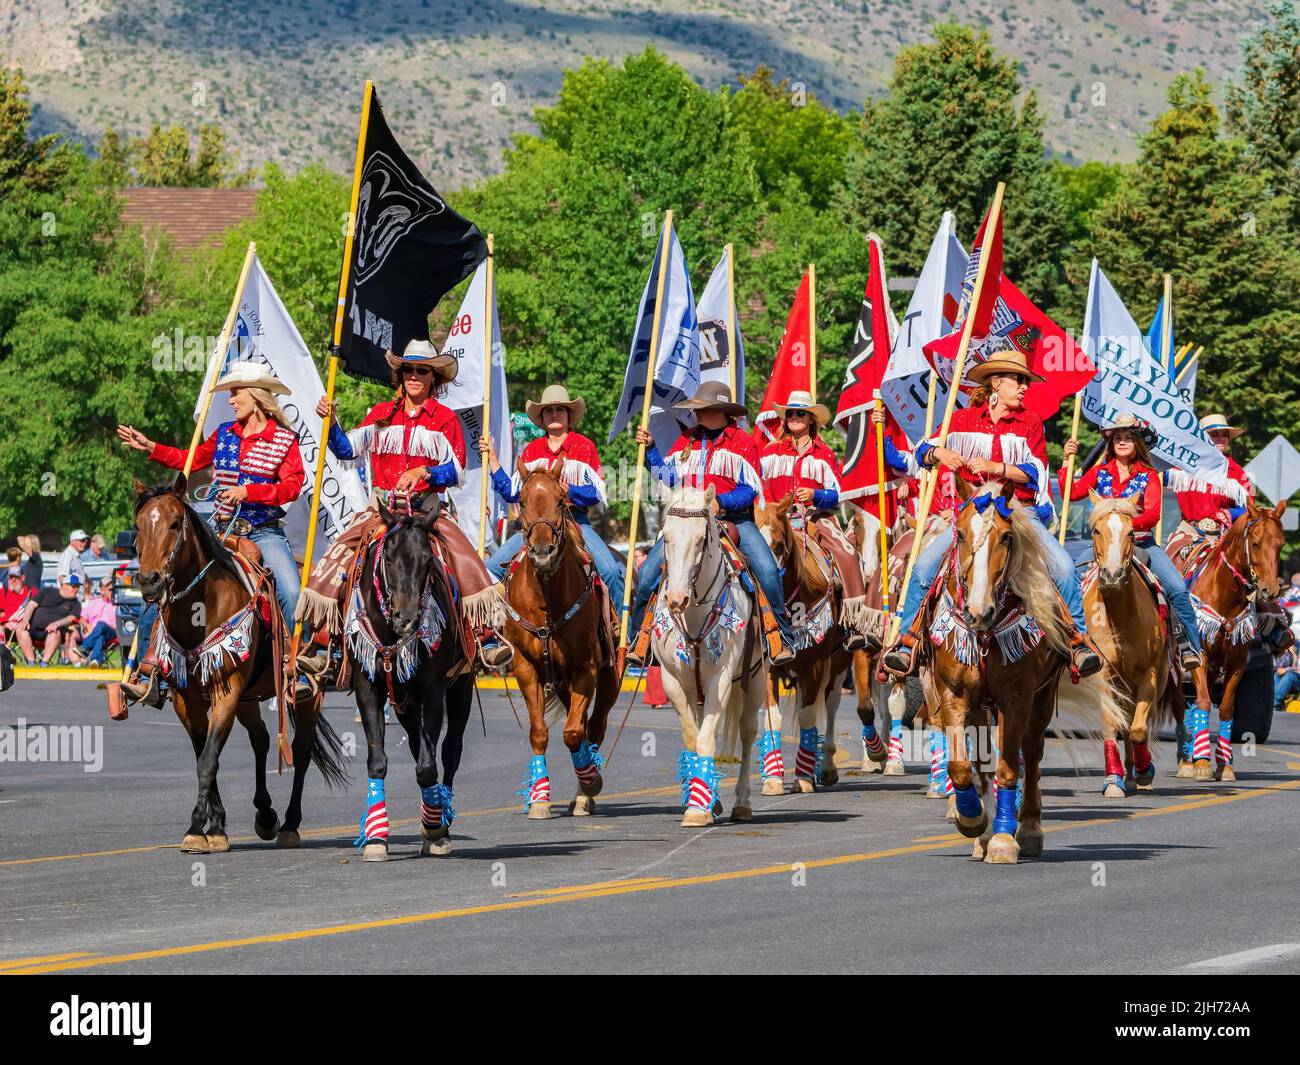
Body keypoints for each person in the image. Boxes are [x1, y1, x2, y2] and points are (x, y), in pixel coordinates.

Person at [881, 350, 1102, 678]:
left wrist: (995, 467)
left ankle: (1079, 641)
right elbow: (921, 451)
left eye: (1026, 380)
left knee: (1064, 567)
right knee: (925, 566)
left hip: (1017, 513)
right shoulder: (962, 421)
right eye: (1018, 380)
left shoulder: (1031, 424)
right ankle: (906, 641)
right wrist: (940, 452)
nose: (1025, 386)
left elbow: (1036, 471)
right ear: (996, 383)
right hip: (971, 512)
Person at [304, 338, 511, 672]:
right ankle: (325, 641)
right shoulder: (381, 415)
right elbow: (345, 450)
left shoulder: (444, 419)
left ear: (434, 378)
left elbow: (456, 468)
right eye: (409, 369)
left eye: (422, 370)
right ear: (400, 375)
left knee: (463, 555)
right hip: (382, 511)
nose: (414, 375)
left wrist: (425, 471)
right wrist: (330, 422)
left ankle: (485, 634)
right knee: (337, 556)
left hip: (426, 512)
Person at [116, 361, 307, 701]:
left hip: (263, 530)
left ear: (257, 397)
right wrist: (150, 447)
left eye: (237, 394)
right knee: (169, 580)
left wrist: (250, 492)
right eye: (232, 394)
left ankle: (297, 668)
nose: (232, 400)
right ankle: (153, 672)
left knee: (292, 592)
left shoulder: (283, 440)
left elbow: (292, 486)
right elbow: (188, 459)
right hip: (219, 529)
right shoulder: (225, 435)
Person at [627, 380, 795, 668]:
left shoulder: (743, 442)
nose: (697, 414)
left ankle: (778, 635)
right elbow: (669, 478)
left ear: (720, 410)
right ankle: (639, 640)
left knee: (768, 570)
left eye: (702, 409)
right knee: (645, 577)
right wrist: (652, 452)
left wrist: (722, 502)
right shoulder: (688, 440)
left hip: (735, 520)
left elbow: (750, 489)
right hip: (690, 521)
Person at [1060, 413, 1203, 671]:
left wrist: (1121, 524)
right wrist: (1065, 461)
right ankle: (1069, 645)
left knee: (1178, 588)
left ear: (1137, 442)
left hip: (1141, 544)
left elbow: (1152, 514)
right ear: (1110, 443)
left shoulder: (1149, 476)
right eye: (1117, 438)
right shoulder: (1100, 472)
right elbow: (1071, 492)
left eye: (1127, 437)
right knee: (1068, 580)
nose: (1122, 442)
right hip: (1102, 546)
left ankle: (1188, 647)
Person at [479, 383, 625, 609]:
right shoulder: (531, 450)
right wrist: (494, 460)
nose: (554, 413)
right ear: (542, 417)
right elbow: (512, 493)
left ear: (568, 414)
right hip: (535, 525)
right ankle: (496, 631)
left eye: (559, 409)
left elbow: (595, 494)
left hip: (576, 523)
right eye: (548, 410)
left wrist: (571, 491)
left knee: (612, 572)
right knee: (490, 568)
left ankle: (619, 632)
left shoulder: (584, 446)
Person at [758, 390, 872, 651]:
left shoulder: (825, 455)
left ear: (811, 419)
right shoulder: (770, 452)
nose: (795, 417)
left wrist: (815, 494)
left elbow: (838, 494)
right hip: (776, 519)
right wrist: (771, 510)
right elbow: (758, 486)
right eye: (790, 413)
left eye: (801, 413)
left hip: (814, 517)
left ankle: (850, 624)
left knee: (847, 554)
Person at [1172, 412, 1292, 652]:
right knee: (1168, 566)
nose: (1219, 439)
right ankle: (1166, 625)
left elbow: (1252, 510)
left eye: (1223, 434)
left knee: (1253, 567)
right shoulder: (1183, 465)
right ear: (1202, 438)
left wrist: (1231, 515)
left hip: (1226, 535)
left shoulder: (1236, 472)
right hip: (1191, 531)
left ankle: (1273, 625)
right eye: (1213, 434)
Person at [14, 574, 82, 667]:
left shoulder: (75, 603)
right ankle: (31, 662)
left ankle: (44, 663)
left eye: (77, 586)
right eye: (73, 586)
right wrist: (25, 620)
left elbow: (71, 618)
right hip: (33, 628)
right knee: (20, 629)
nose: (76, 589)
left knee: (55, 633)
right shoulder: (47, 591)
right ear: (63, 585)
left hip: (53, 632)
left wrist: (56, 623)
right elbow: (31, 605)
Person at [77, 575, 119, 667]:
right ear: (102, 591)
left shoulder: (117, 604)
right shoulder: (94, 602)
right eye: (110, 589)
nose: (112, 592)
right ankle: (96, 661)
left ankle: (85, 647)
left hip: (112, 632)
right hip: (95, 634)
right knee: (100, 637)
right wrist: (88, 626)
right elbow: (82, 618)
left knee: (101, 625)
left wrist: (95, 630)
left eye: (113, 589)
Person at [1, 565, 33, 642]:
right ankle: (4, 652)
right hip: (6, 628)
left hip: (25, 628)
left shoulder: (31, 592)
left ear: (23, 577)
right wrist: (5, 623)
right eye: (11, 577)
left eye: (16, 577)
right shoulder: (2, 592)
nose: (13, 579)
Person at [1273, 647, 1300, 714]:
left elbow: (1295, 668)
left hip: (1296, 677)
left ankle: (1275, 704)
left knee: (1289, 676)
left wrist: (1294, 654)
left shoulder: (1296, 647)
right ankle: (1277, 705)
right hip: (1288, 675)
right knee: (1276, 676)